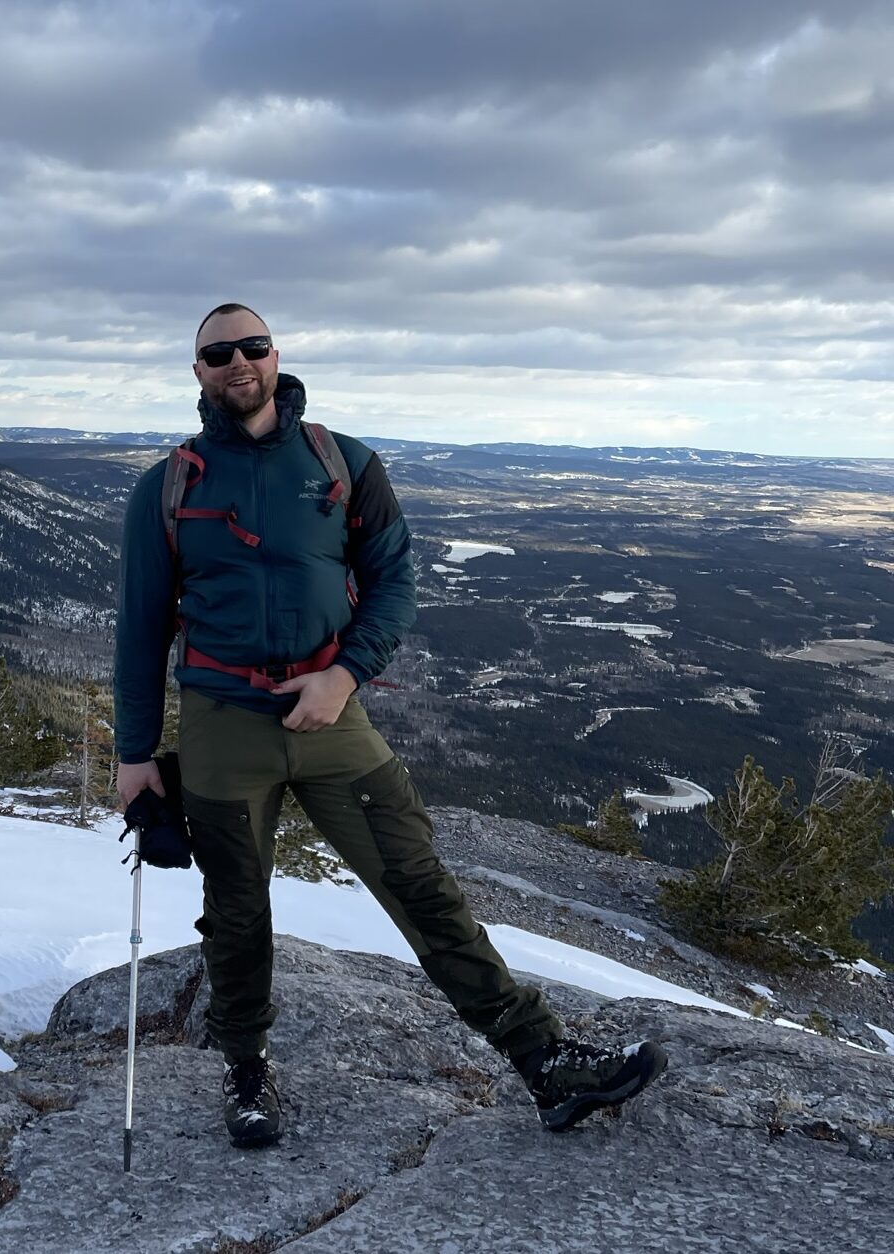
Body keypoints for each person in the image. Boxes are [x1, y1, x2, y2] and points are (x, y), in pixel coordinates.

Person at [112, 302, 666, 1146]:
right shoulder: (170, 484)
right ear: (198, 372)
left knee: (420, 885)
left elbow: (395, 582)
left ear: (275, 356)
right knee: (235, 911)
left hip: (330, 717)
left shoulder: (342, 462)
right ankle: (246, 1071)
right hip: (223, 721)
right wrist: (134, 753)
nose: (238, 362)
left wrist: (343, 674)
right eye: (218, 352)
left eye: (252, 347)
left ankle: (543, 1061)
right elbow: (141, 625)